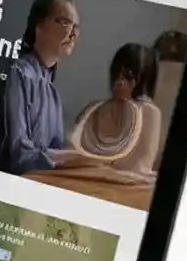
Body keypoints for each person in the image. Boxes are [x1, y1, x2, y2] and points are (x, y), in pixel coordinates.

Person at [1, 0, 92, 174]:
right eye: (65, 22)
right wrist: (73, 158)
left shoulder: (53, 94)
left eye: (76, 27)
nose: (73, 34)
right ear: (39, 25)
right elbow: (20, 154)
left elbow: (55, 149)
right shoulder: (19, 73)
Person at [68, 43, 161, 174]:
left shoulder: (149, 112)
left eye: (129, 76)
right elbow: (72, 152)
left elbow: (141, 165)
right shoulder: (93, 109)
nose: (119, 81)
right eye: (116, 72)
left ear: (144, 79)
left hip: (122, 182)